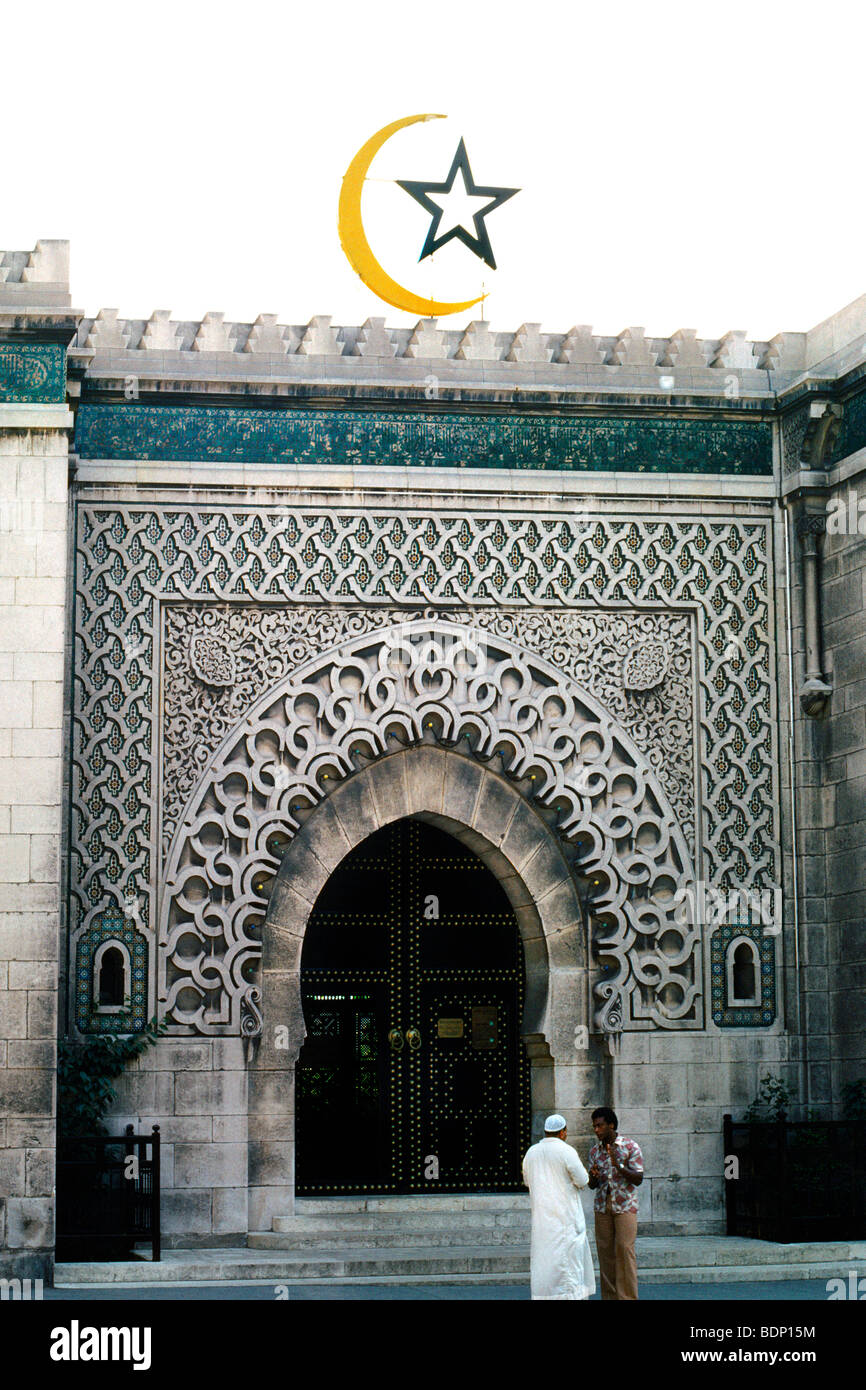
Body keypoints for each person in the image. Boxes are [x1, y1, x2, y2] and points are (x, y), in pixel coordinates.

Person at [522, 1113, 595, 1301]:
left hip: (543, 1221)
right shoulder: (566, 1151)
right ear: (563, 1132)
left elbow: (527, 1180)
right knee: (569, 1264)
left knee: (545, 1263)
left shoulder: (531, 1152)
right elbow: (582, 1179)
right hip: (566, 1218)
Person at [587, 1105, 644, 1300]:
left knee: (625, 1251)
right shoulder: (595, 1151)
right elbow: (592, 1185)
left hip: (625, 1206)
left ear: (611, 1125)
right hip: (603, 1206)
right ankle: (609, 1297)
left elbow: (638, 1178)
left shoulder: (630, 1146)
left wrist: (618, 1165)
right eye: (594, 1126)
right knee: (605, 1255)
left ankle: (627, 1297)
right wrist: (592, 1176)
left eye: (600, 1126)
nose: (596, 1130)